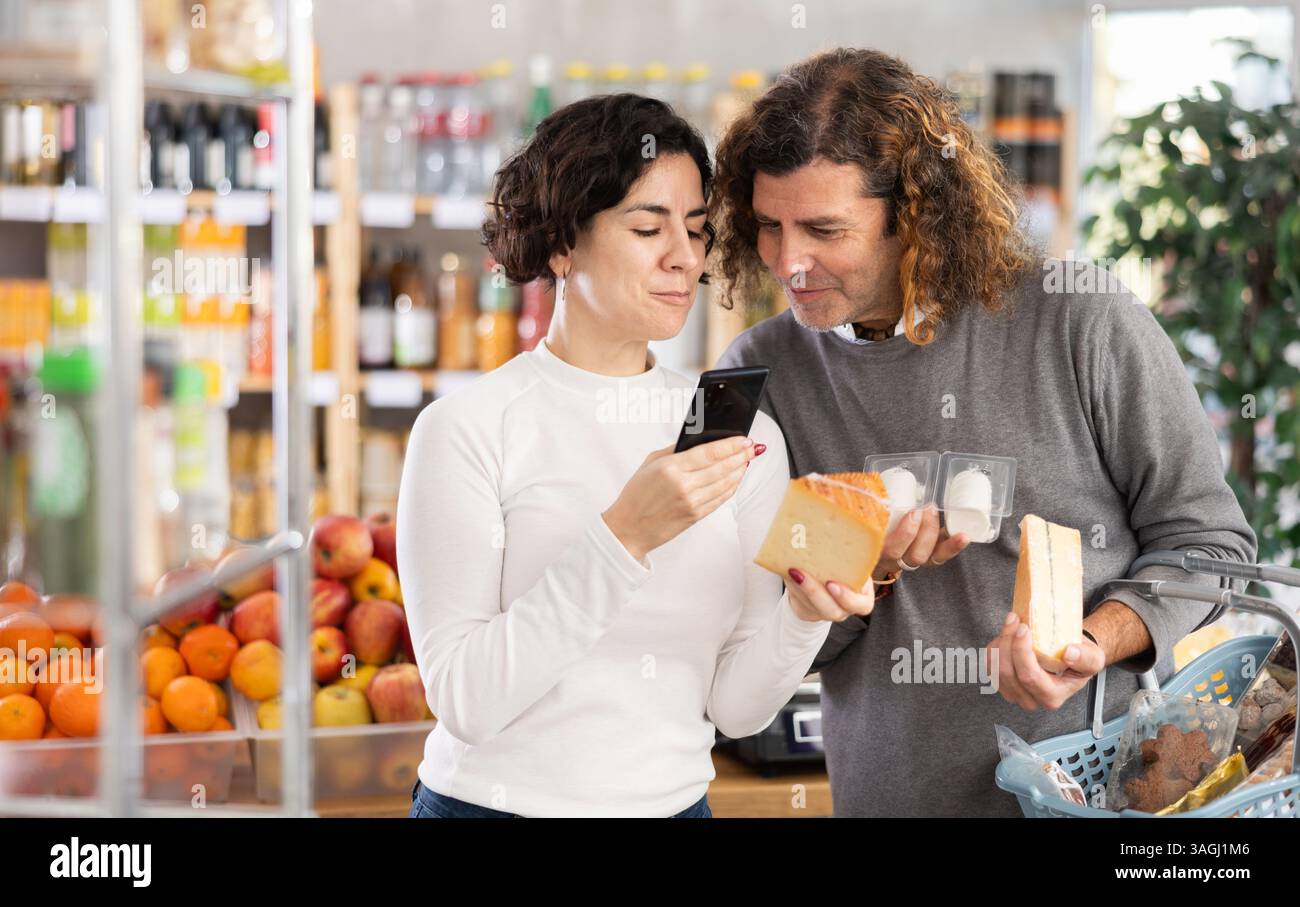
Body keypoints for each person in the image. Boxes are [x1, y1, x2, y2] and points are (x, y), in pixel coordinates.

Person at [711, 47, 1257, 817]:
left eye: (824, 229)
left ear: (915, 212)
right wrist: (866, 577)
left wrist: (1092, 642)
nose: (789, 261)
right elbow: (759, 643)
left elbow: (1209, 545)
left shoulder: (1082, 321)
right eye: (769, 226)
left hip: (1093, 801)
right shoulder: (760, 371)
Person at [396, 94, 887, 818]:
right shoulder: (466, 428)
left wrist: (807, 615)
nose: (683, 257)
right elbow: (466, 699)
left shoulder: (733, 427)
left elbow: (736, 707)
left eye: (695, 230)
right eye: (648, 226)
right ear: (563, 244)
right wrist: (625, 535)